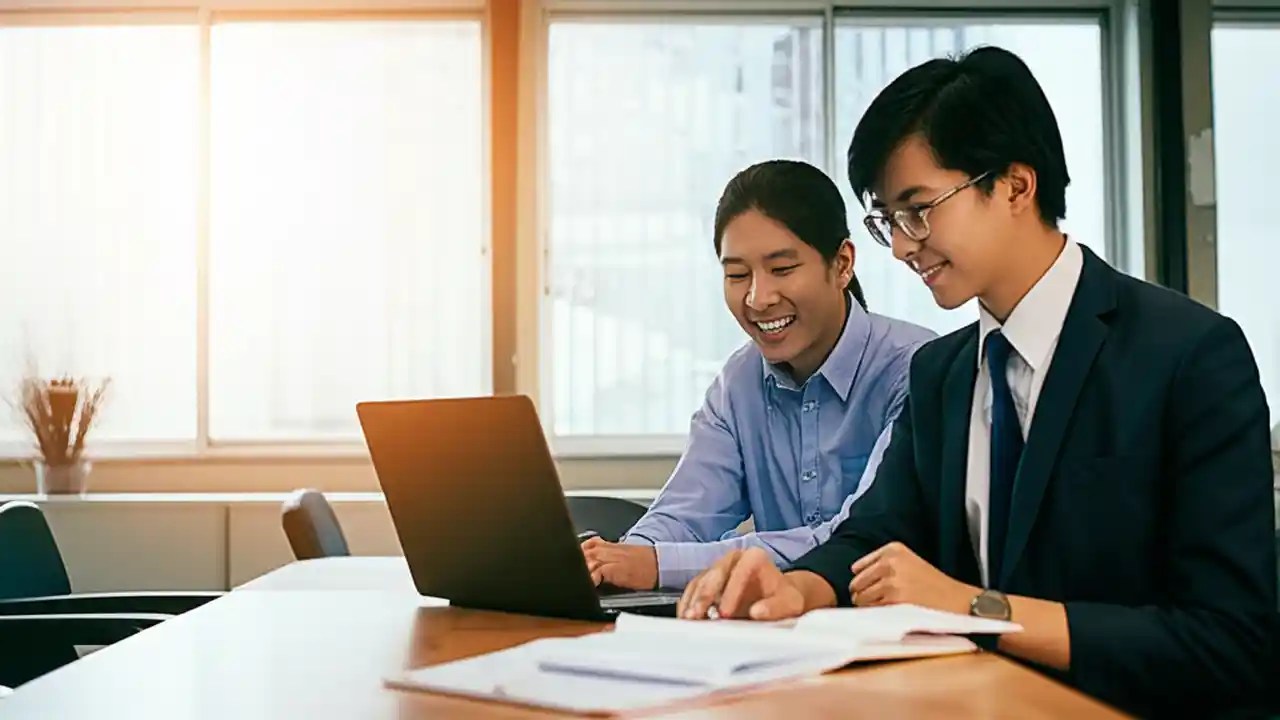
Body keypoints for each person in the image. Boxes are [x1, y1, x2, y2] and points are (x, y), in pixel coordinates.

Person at [675, 47, 1277, 716]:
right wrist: (796, 586)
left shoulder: (1188, 355)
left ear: (1016, 186)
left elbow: (1232, 643)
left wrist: (974, 608)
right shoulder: (942, 372)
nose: (902, 246)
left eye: (919, 209)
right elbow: (875, 534)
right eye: (888, 222)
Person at [581, 159, 935, 591]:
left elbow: (854, 540)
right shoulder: (739, 383)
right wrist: (616, 563)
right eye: (737, 275)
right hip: (775, 631)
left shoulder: (917, 368)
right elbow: (685, 515)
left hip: (897, 630)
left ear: (842, 264)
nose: (758, 298)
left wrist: (657, 564)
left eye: (782, 270)